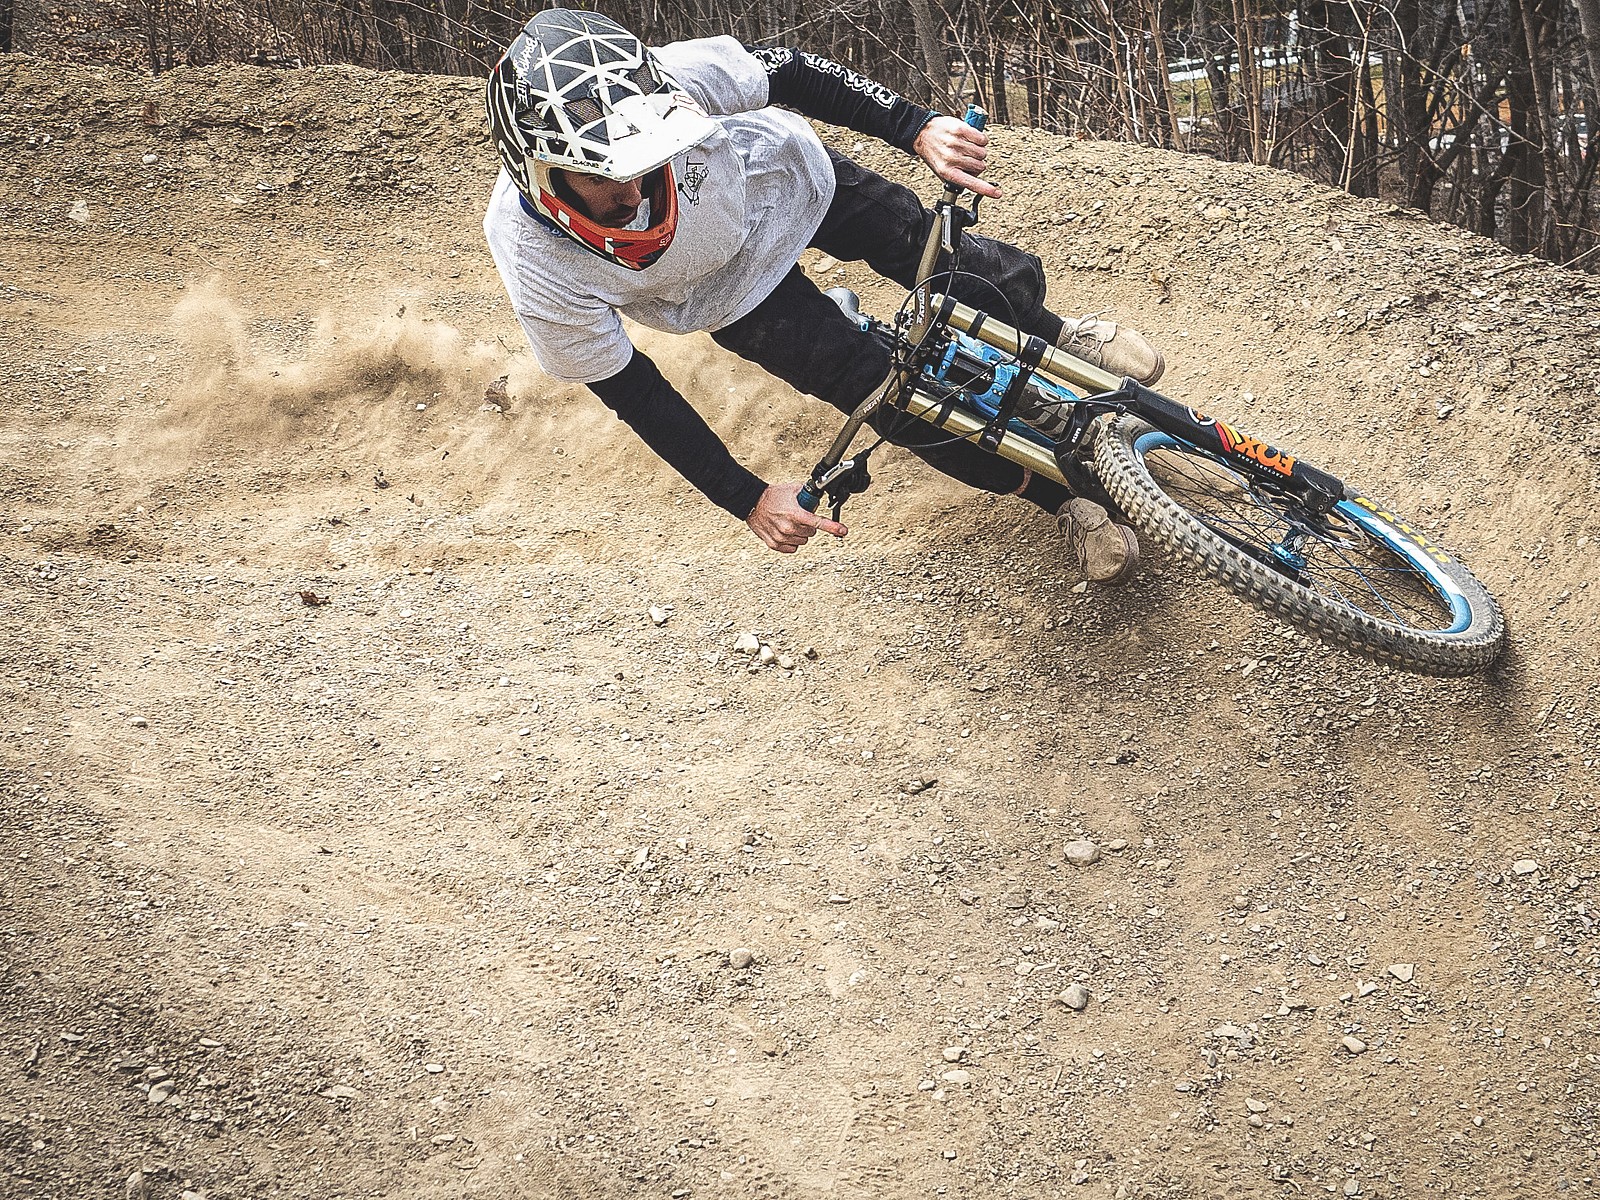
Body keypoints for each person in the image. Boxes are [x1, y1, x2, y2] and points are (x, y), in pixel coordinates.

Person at [482, 9, 1165, 584]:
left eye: (645, 159)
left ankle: (1059, 333)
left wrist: (914, 127)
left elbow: (792, 70)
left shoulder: (675, 80)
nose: (633, 191)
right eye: (604, 177)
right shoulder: (534, 260)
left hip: (782, 179)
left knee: (940, 257)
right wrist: (748, 499)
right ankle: (1061, 501)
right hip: (730, 297)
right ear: (539, 171)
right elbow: (634, 391)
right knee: (890, 398)